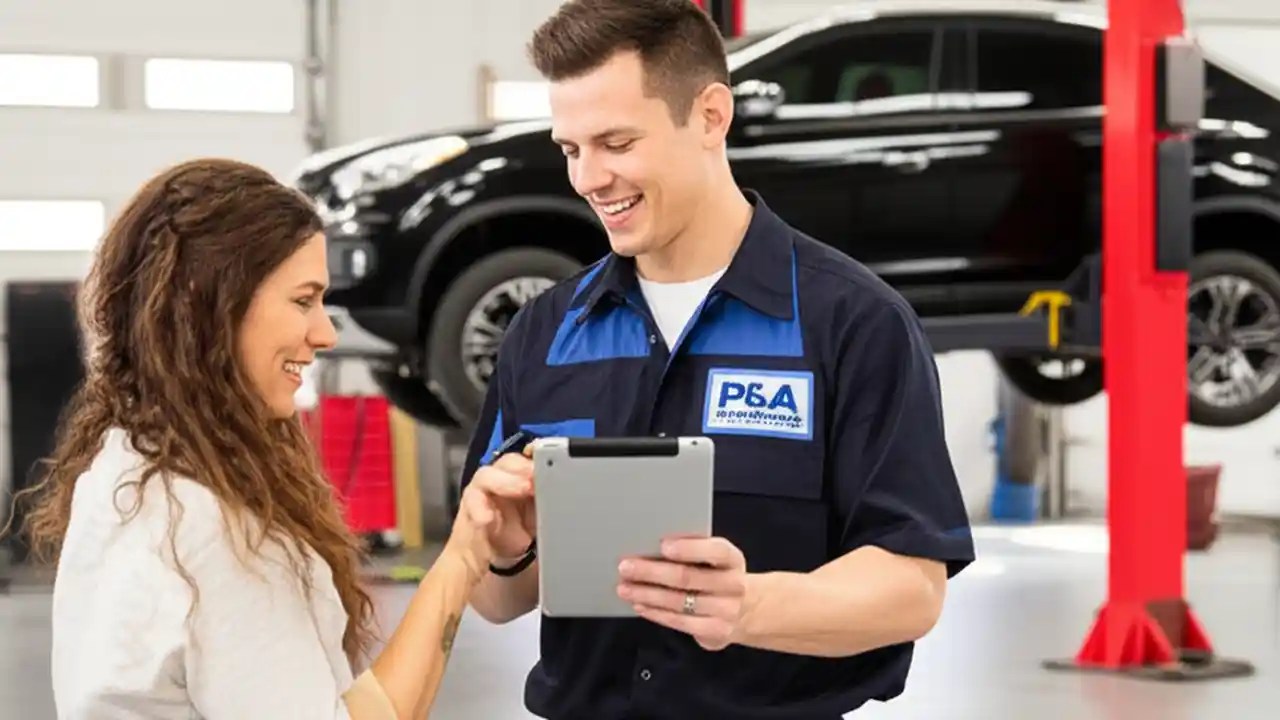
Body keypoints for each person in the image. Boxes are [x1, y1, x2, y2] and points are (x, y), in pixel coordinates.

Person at [457, 1, 976, 718]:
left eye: (616, 142)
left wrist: (751, 606)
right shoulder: (545, 332)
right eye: (571, 149)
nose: (588, 179)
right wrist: (508, 552)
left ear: (710, 117)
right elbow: (494, 598)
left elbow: (913, 588)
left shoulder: (853, 325)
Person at [7, 158, 534, 719]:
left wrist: (463, 555)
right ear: (208, 300)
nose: (326, 332)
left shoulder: (120, 468)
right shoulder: (216, 531)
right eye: (303, 300)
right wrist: (461, 558)